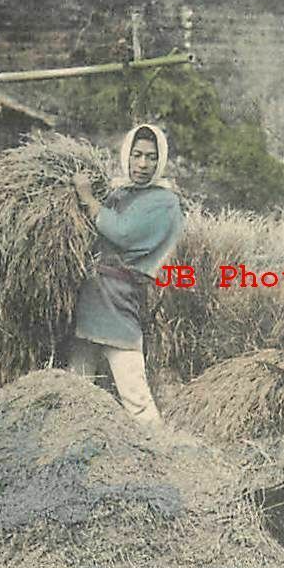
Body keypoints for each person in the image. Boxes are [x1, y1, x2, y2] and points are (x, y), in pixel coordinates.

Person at [69, 124, 184, 427]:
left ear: (160, 161)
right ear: (127, 157)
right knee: (74, 385)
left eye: (150, 157)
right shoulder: (120, 194)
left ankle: (162, 453)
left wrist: (86, 196)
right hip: (91, 296)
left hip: (119, 301)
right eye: (137, 155)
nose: (143, 165)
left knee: (134, 394)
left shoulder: (164, 202)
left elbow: (123, 233)